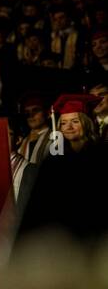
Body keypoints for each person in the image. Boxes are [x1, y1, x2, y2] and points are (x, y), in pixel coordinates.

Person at [16, 93, 108, 240]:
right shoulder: (56, 158)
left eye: (75, 121)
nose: (68, 127)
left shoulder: (101, 154)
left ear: (86, 123)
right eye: (64, 123)